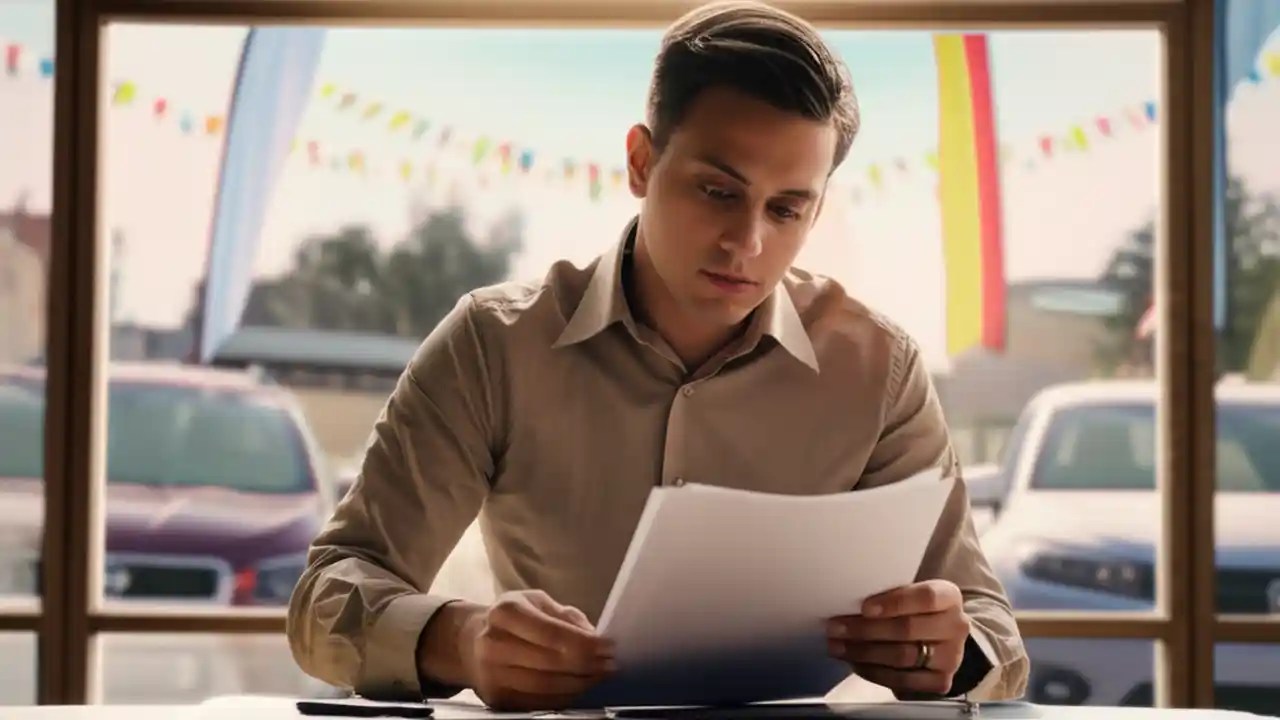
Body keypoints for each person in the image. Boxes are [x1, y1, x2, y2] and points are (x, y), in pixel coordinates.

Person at [287, 0, 1029, 711]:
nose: (747, 243)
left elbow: (994, 636)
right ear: (641, 162)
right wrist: (461, 641)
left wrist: (950, 652)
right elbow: (326, 595)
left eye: (786, 209)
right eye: (718, 191)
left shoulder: (879, 370)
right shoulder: (495, 345)